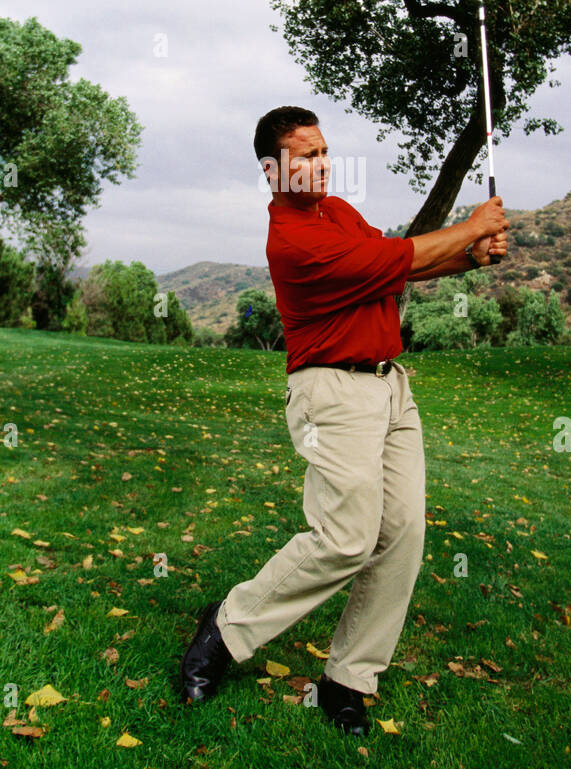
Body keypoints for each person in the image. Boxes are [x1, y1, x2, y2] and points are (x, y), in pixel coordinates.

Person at [180, 105, 508, 734]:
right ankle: (224, 630)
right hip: (331, 393)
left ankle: (348, 680)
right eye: (306, 155)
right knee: (345, 538)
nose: (321, 163)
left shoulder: (338, 214)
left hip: (390, 387)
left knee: (403, 533)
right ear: (273, 169)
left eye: (324, 150)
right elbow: (395, 261)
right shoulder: (293, 239)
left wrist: (471, 259)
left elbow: (393, 266)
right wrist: (469, 225)